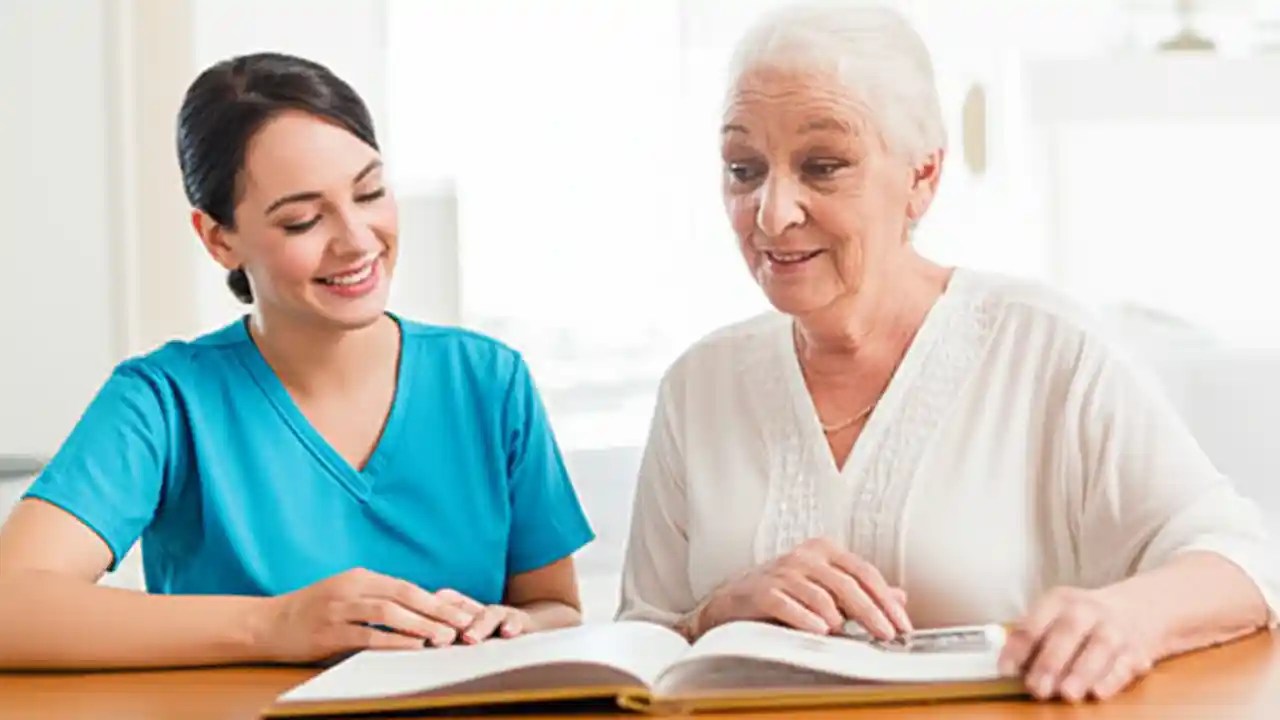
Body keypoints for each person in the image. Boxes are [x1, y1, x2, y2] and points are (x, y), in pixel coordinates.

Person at [616, 1, 1277, 703]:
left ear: (923, 177)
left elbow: (1248, 563)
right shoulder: (697, 387)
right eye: (744, 169)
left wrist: (1127, 617)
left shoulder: (1044, 350)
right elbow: (637, 644)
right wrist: (715, 617)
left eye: (823, 166)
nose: (772, 214)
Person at [0, 52, 593, 669]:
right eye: (303, 220)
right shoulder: (163, 402)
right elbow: (9, 607)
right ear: (219, 238)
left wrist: (518, 625)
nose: (358, 240)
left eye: (370, 192)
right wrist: (276, 624)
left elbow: (554, 607)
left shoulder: (488, 381)